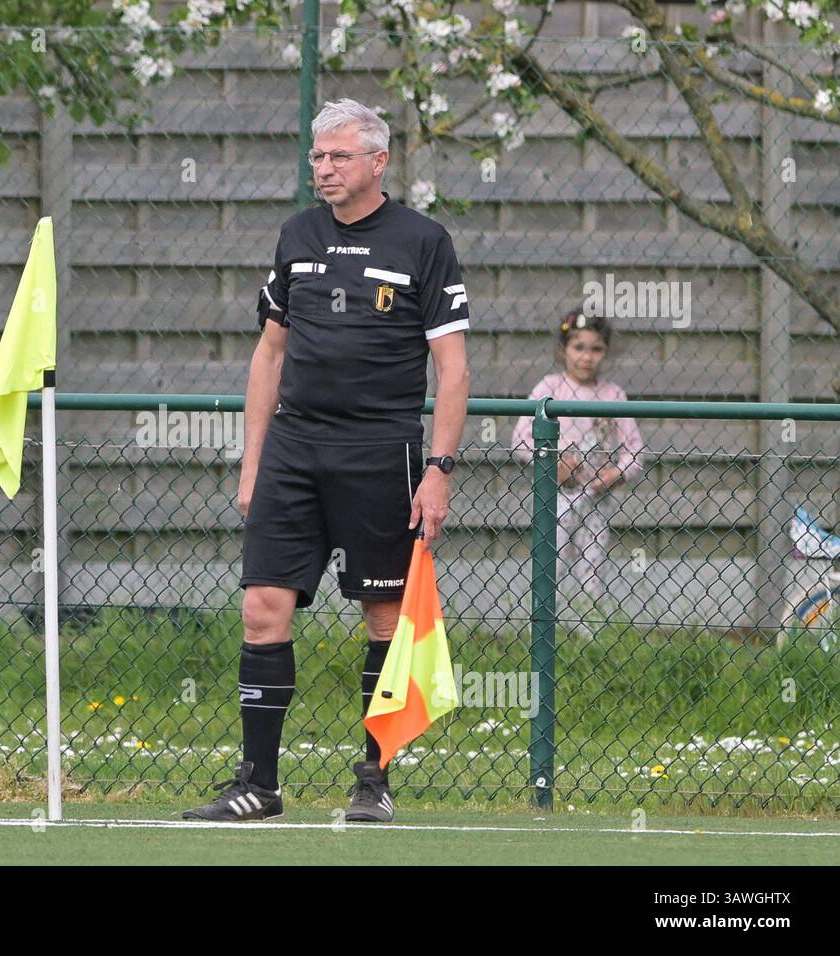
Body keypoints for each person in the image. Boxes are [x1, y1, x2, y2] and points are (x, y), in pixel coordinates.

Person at [182, 98, 471, 823]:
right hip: (294, 450)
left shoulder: (423, 242)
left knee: (382, 618)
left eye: (338, 156)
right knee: (262, 608)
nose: (324, 169)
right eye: (317, 156)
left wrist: (439, 468)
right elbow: (269, 353)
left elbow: (455, 371)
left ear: (378, 162)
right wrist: (252, 465)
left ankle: (373, 780)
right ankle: (258, 783)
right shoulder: (296, 235)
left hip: (382, 453)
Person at [511, 311, 644, 614]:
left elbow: (635, 452)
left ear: (606, 352)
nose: (587, 357)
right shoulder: (550, 388)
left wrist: (614, 475)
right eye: (579, 348)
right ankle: (543, 630)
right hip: (554, 498)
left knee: (592, 568)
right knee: (549, 565)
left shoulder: (612, 395)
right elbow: (520, 439)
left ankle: (589, 635)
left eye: (596, 349)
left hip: (596, 499)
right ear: (563, 350)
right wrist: (553, 463)